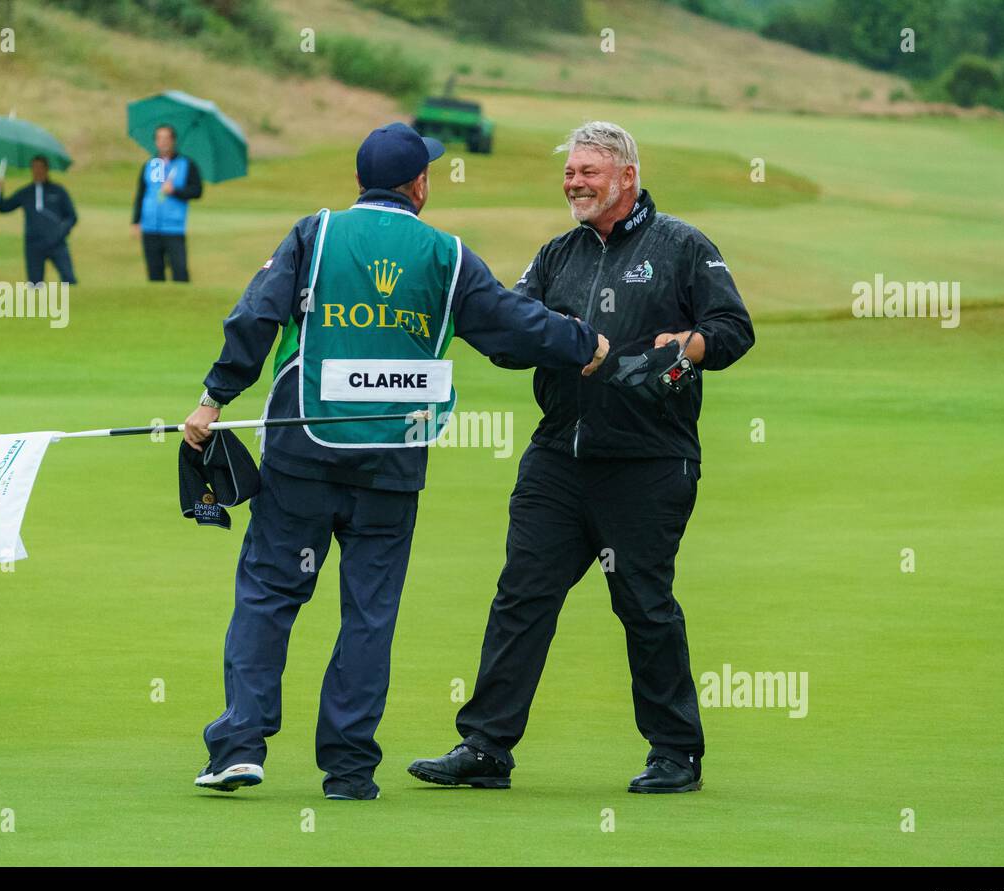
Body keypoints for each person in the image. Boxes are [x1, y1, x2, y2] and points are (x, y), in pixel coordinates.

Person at [183, 122, 609, 800]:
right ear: (419, 186)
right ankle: (349, 769)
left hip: (303, 450)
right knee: (369, 614)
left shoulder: (314, 233)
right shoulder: (446, 253)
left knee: (268, 596)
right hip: (393, 461)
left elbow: (256, 317)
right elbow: (506, 322)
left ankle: (240, 745)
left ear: (361, 182)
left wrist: (214, 399)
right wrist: (579, 341)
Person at [409, 121, 755, 795]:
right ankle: (485, 748)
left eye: (588, 171)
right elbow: (512, 331)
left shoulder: (683, 246)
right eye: (570, 172)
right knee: (522, 596)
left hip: (649, 460)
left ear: (626, 176)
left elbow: (733, 329)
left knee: (643, 603)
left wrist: (684, 348)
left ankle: (675, 752)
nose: (574, 182)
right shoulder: (556, 255)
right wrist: (519, 338)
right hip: (558, 459)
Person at [131, 124, 202, 282]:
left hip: (173, 227)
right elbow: (141, 193)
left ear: (173, 141)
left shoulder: (186, 164)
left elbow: (197, 191)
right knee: (154, 273)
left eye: (166, 138)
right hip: (150, 226)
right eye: (159, 138)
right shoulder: (150, 165)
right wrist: (136, 221)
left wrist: (175, 191)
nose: (163, 142)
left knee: (180, 271)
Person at [0, 155, 78, 284]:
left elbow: (72, 216)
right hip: (34, 243)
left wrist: (61, 230)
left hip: (56, 242)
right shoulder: (26, 192)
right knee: (35, 283)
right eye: (34, 168)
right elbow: (3, 207)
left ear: (46, 169)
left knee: (69, 279)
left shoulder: (58, 191)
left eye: (40, 167)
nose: (37, 171)